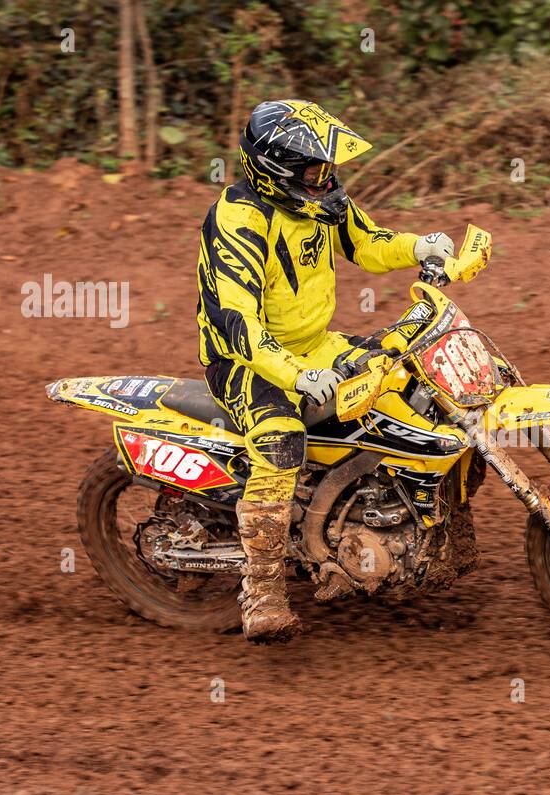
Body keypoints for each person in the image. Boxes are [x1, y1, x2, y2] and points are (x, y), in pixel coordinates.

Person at [195, 99, 454, 644]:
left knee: (413, 385)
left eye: (328, 168)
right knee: (281, 439)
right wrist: (293, 374)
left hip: (314, 343)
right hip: (245, 361)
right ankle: (262, 589)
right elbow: (238, 322)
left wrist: (419, 246)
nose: (327, 178)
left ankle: (432, 531)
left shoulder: (320, 201)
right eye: (315, 170)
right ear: (276, 170)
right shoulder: (237, 221)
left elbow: (368, 243)